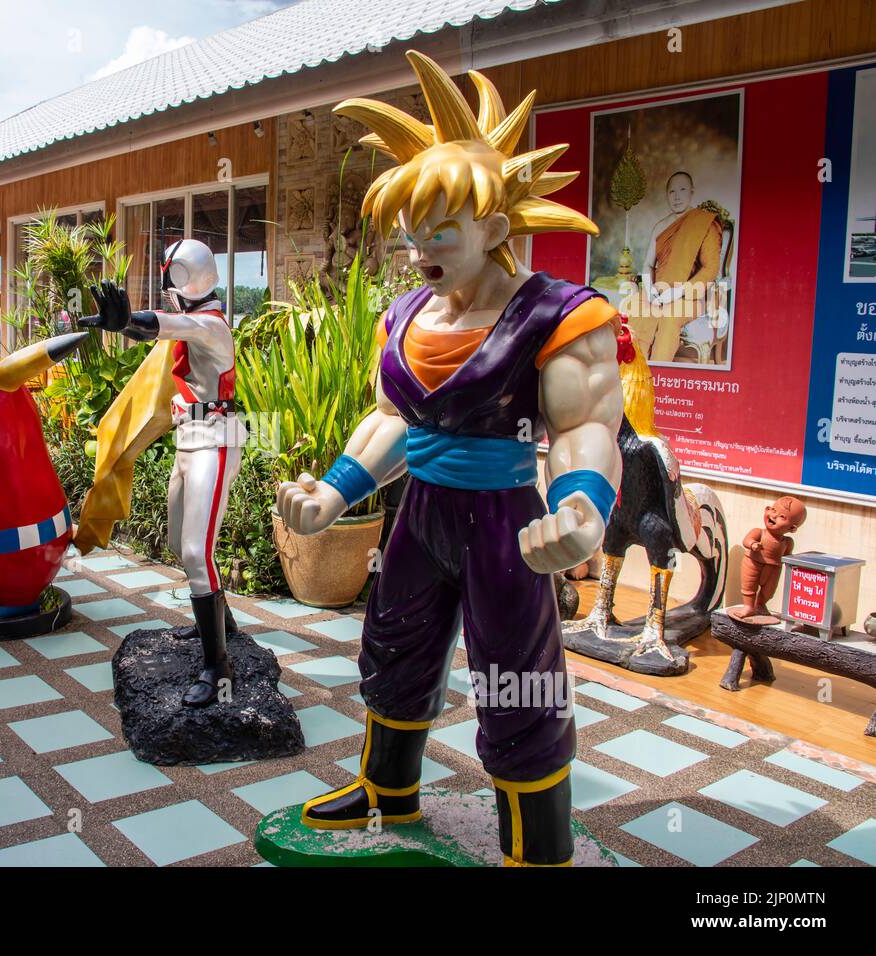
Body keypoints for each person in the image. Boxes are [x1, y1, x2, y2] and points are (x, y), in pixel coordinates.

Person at [275, 53, 623, 866]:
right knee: (393, 645)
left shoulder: (561, 314)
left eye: (439, 231)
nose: (416, 248)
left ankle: (540, 842)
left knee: (517, 677)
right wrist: (335, 490)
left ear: (496, 229)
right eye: (407, 231)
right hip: (419, 516)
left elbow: (585, 427)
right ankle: (387, 788)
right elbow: (392, 419)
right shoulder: (404, 316)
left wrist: (578, 507)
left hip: (506, 523)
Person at [77, 240, 244, 707]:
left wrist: (128, 321)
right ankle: (222, 624)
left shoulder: (210, 326)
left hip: (216, 438)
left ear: (180, 279)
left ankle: (218, 666)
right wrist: (126, 323)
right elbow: (165, 327)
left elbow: (168, 324)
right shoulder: (198, 324)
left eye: (169, 278)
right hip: (191, 438)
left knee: (195, 551)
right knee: (179, 544)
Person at [626, 171, 724, 363]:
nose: (677, 196)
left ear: (692, 192)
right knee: (634, 307)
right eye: (672, 192)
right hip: (659, 292)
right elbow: (647, 264)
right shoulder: (661, 226)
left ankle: (658, 373)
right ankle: (634, 371)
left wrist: (675, 293)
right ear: (667, 194)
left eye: (682, 190)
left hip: (691, 295)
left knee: (670, 316)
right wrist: (650, 291)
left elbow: (710, 269)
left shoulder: (703, 223)